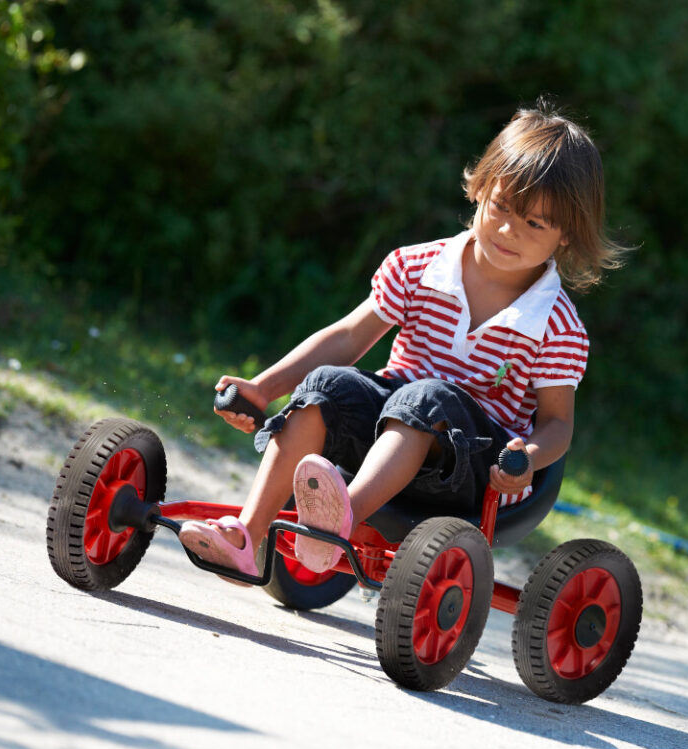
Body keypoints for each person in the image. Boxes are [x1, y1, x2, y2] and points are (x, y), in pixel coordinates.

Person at [179, 101, 625, 580]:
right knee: (327, 384)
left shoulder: (556, 325)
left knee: (426, 398)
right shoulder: (418, 267)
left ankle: (336, 521)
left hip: (472, 468)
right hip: (389, 429)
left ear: (565, 236)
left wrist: (526, 458)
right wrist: (263, 389)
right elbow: (351, 334)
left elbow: (557, 424)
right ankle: (248, 534)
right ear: (480, 191)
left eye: (534, 223)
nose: (507, 229)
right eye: (501, 206)